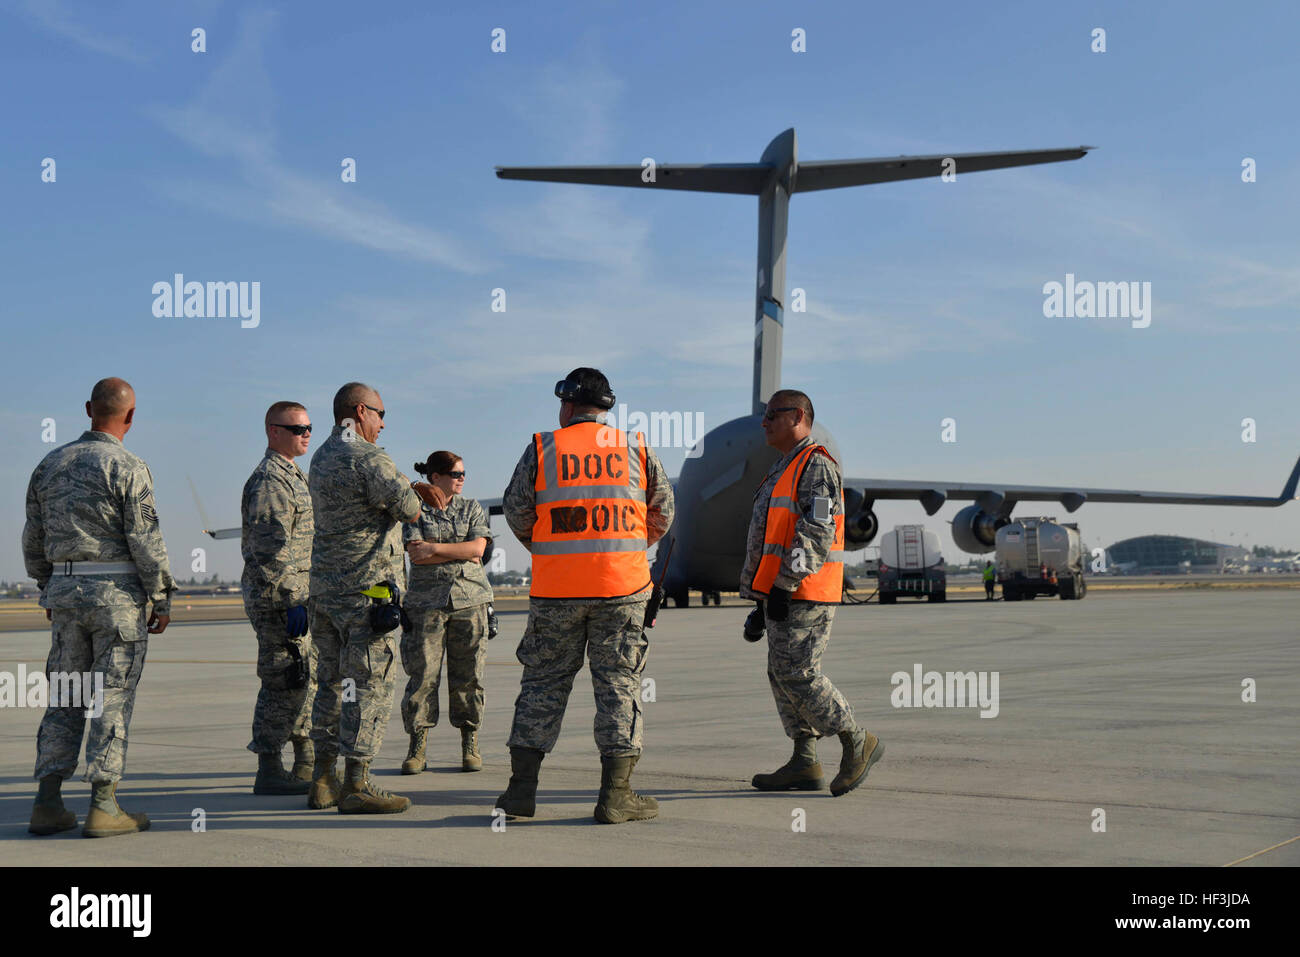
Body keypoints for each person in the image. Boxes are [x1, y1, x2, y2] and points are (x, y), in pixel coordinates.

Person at [497, 368, 675, 824]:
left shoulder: (543, 447)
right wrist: (629, 549)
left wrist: (551, 553)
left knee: (541, 684)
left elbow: (517, 510)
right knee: (618, 686)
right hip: (622, 587)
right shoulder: (636, 447)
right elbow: (663, 511)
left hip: (556, 589)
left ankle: (520, 792)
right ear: (605, 406)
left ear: (567, 405)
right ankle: (616, 795)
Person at [22, 377, 175, 838]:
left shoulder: (50, 464)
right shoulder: (128, 467)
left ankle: (48, 802)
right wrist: (162, 595)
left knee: (65, 697)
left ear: (89, 408)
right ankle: (104, 804)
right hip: (117, 601)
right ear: (130, 416)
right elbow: (145, 540)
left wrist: (48, 585)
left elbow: (33, 538)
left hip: (67, 597)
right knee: (111, 698)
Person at [306, 382, 443, 814]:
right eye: (381, 414)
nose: (383, 423)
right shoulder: (368, 457)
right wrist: (415, 485)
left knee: (329, 685)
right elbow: (411, 510)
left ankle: (323, 779)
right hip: (366, 593)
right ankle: (357, 784)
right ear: (360, 411)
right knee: (367, 687)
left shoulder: (322, 456)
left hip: (325, 592)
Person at [741, 389, 884, 797]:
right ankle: (804, 760)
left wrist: (784, 584)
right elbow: (774, 538)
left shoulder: (816, 465)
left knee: (798, 672)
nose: (764, 422)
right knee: (781, 673)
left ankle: (857, 739)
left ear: (798, 415)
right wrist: (762, 600)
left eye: (772, 415)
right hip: (782, 593)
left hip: (804, 591)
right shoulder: (783, 467)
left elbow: (816, 531)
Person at [399, 451, 494, 774]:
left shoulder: (472, 508)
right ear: (435, 477)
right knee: (422, 676)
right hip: (426, 606)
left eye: (463, 473)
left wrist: (435, 548)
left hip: (470, 602)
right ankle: (418, 746)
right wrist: (459, 553)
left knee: (469, 677)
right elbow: (416, 556)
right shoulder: (414, 511)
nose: (461, 479)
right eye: (455, 474)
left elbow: (478, 549)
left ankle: (470, 743)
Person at [241, 401, 316, 795]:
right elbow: (270, 549)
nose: (305, 434)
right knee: (282, 681)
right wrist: (292, 599)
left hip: (296, 597)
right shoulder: (272, 480)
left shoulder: (294, 475)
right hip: (279, 601)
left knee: (303, 678)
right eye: (296, 428)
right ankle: (269, 768)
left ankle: (302, 760)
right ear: (273, 431)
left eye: (308, 428)